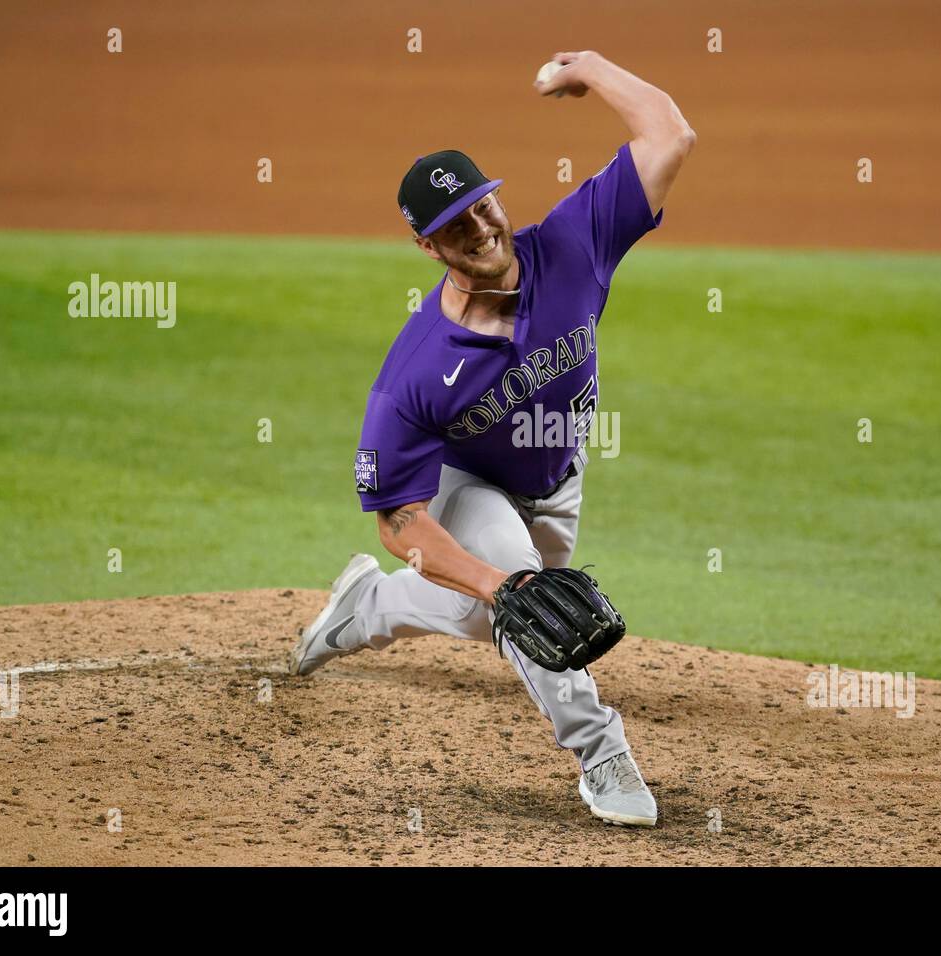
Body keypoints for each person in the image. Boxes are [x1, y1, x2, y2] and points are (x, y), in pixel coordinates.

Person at [289, 51, 695, 827]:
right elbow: (400, 519)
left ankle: (367, 606)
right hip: (464, 487)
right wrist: (502, 581)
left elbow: (670, 134)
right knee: (515, 592)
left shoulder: (571, 246)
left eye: (481, 206)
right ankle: (602, 754)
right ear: (429, 249)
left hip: (558, 480)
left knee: (497, 622)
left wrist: (592, 68)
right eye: (454, 228)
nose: (480, 230)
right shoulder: (413, 372)